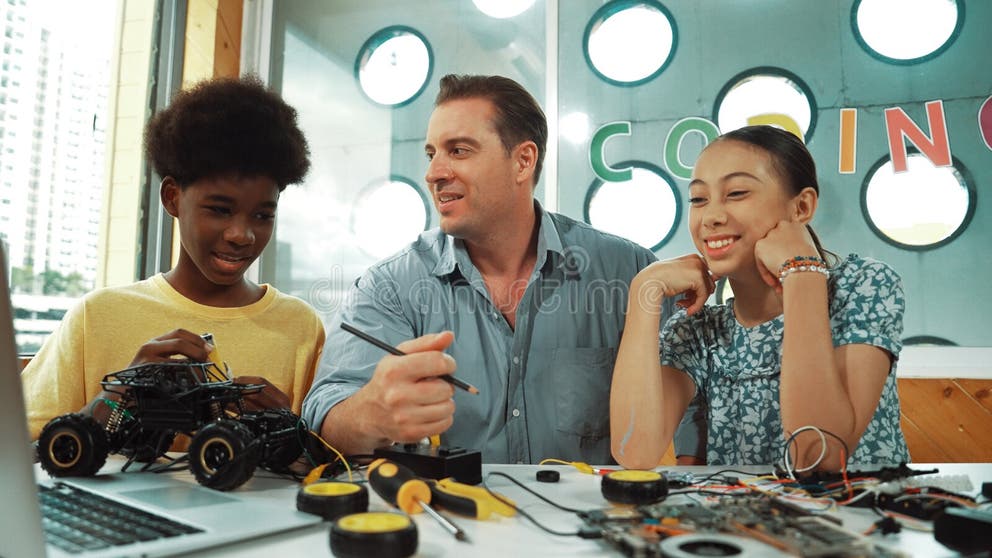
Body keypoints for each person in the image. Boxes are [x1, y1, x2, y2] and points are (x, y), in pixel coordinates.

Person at [302, 74, 703, 465]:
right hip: (452, 519)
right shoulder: (389, 287)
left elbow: (695, 406)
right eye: (431, 153)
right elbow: (324, 416)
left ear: (523, 161)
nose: (434, 173)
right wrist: (372, 413)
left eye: (458, 150)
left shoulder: (628, 273)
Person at [22, 75, 325, 439]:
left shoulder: (301, 328)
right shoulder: (96, 318)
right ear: (172, 198)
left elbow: (327, 471)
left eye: (263, 215)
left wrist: (290, 433)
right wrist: (118, 394)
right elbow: (22, 452)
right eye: (220, 210)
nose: (241, 235)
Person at [610, 125, 909, 471]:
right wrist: (643, 291)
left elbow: (818, 455)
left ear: (801, 206)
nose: (711, 216)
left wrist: (802, 273)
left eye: (736, 193)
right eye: (698, 199)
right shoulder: (698, 329)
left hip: (861, 518)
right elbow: (634, 451)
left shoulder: (864, 286)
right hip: (746, 524)